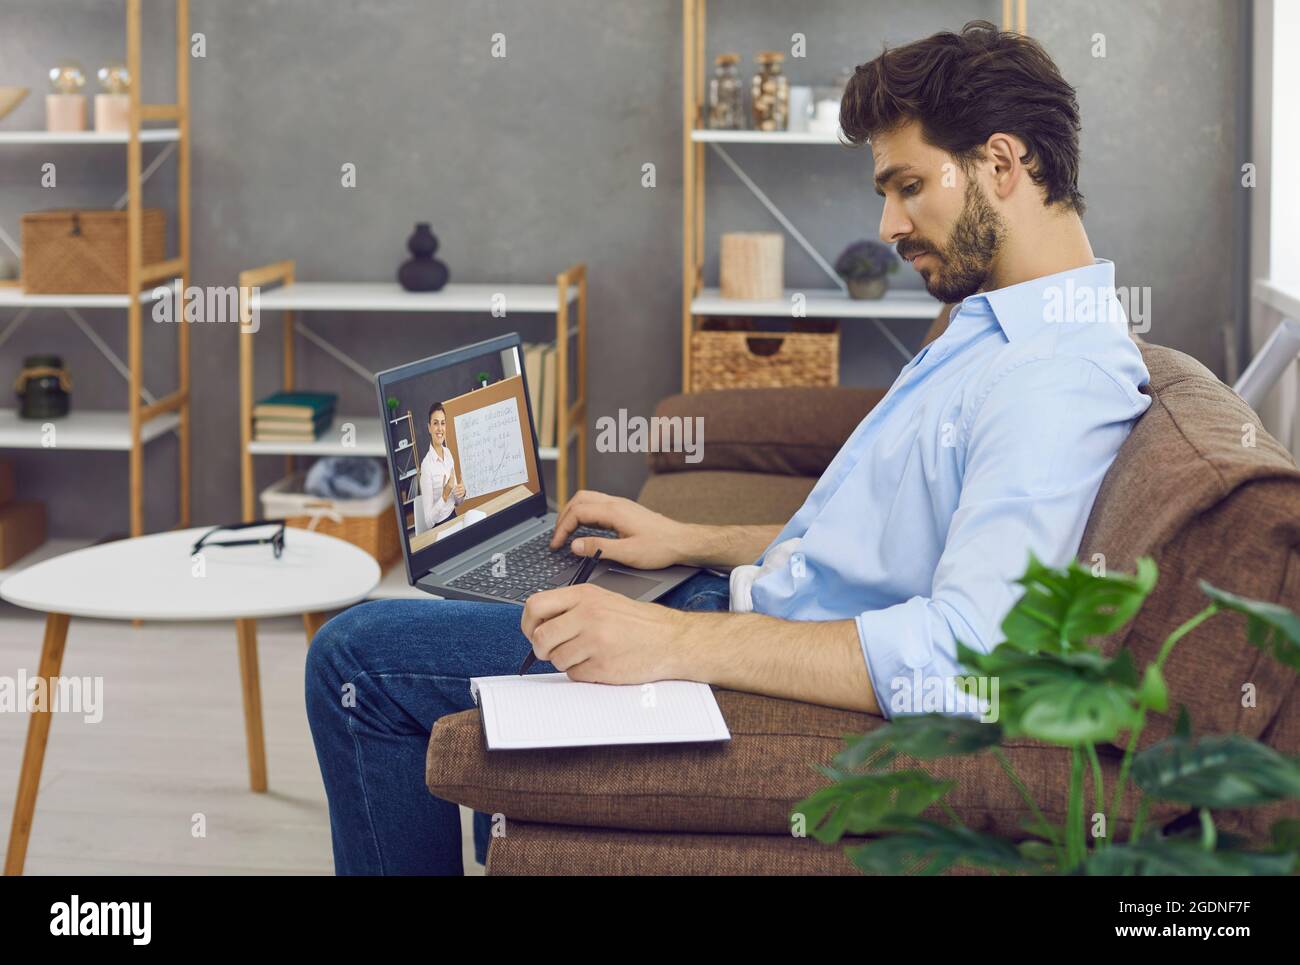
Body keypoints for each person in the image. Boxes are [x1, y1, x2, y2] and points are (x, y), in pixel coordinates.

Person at [307, 20, 1152, 874]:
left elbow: (966, 661)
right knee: (502, 586)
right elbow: (890, 543)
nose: (889, 223)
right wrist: (688, 541)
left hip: (752, 653)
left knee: (355, 657)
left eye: (908, 185)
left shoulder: (1053, 377)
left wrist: (670, 640)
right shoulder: (996, 324)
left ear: (1002, 164)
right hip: (745, 605)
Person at [419, 402, 464, 528]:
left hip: (454, 516)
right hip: (439, 527)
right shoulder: (426, 466)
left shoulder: (448, 453)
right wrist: (444, 496)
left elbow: (457, 502)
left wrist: (461, 492)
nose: (440, 428)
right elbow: (428, 522)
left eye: (443, 423)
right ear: (429, 428)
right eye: (435, 423)